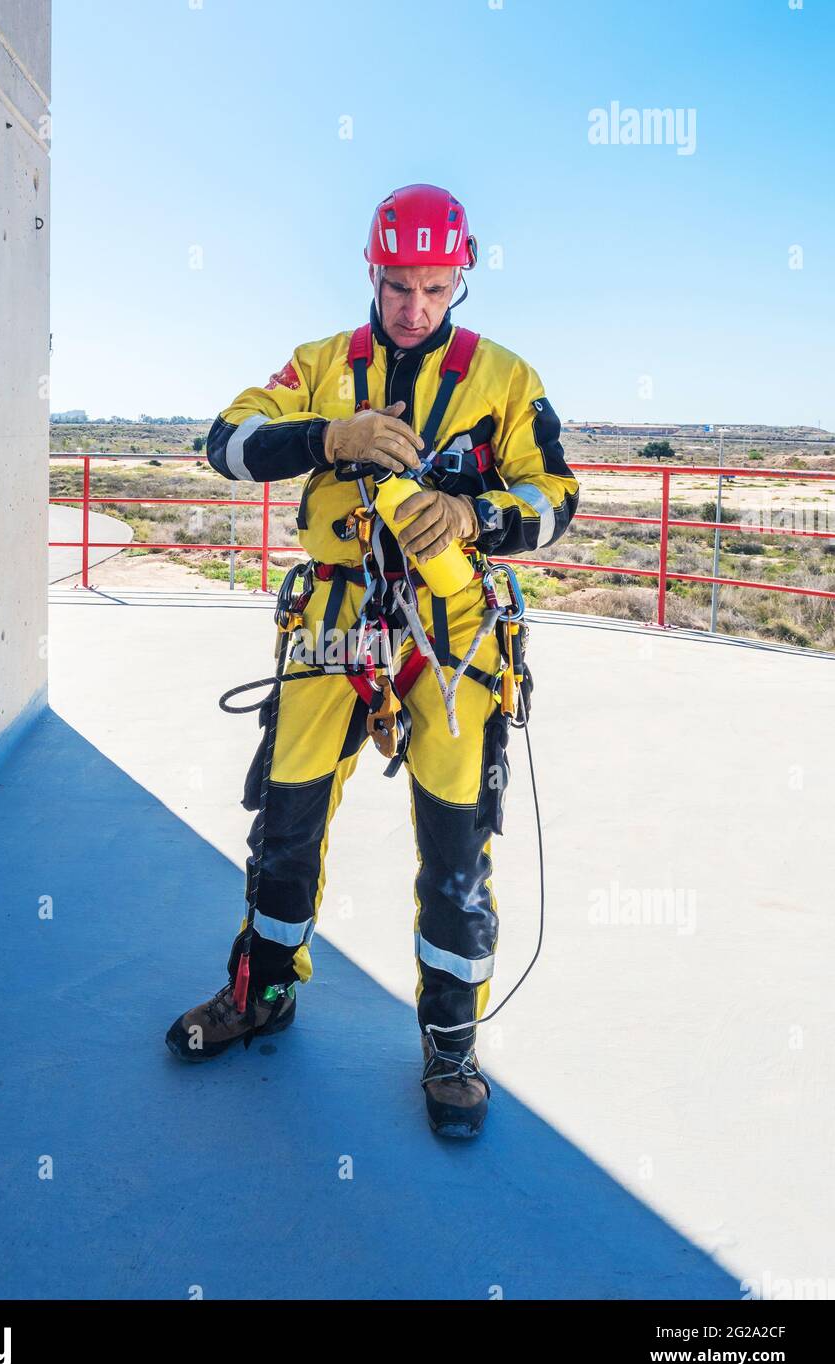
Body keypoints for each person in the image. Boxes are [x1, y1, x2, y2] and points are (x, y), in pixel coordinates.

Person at [166, 184, 579, 1138]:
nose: (415, 309)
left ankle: (449, 1047)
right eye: (398, 286)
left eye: (436, 289)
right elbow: (225, 442)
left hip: (454, 629)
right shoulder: (319, 365)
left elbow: (555, 495)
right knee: (286, 820)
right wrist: (327, 437)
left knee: (455, 847)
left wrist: (477, 513)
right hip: (332, 615)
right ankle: (262, 992)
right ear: (371, 270)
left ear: (460, 279)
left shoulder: (503, 379)